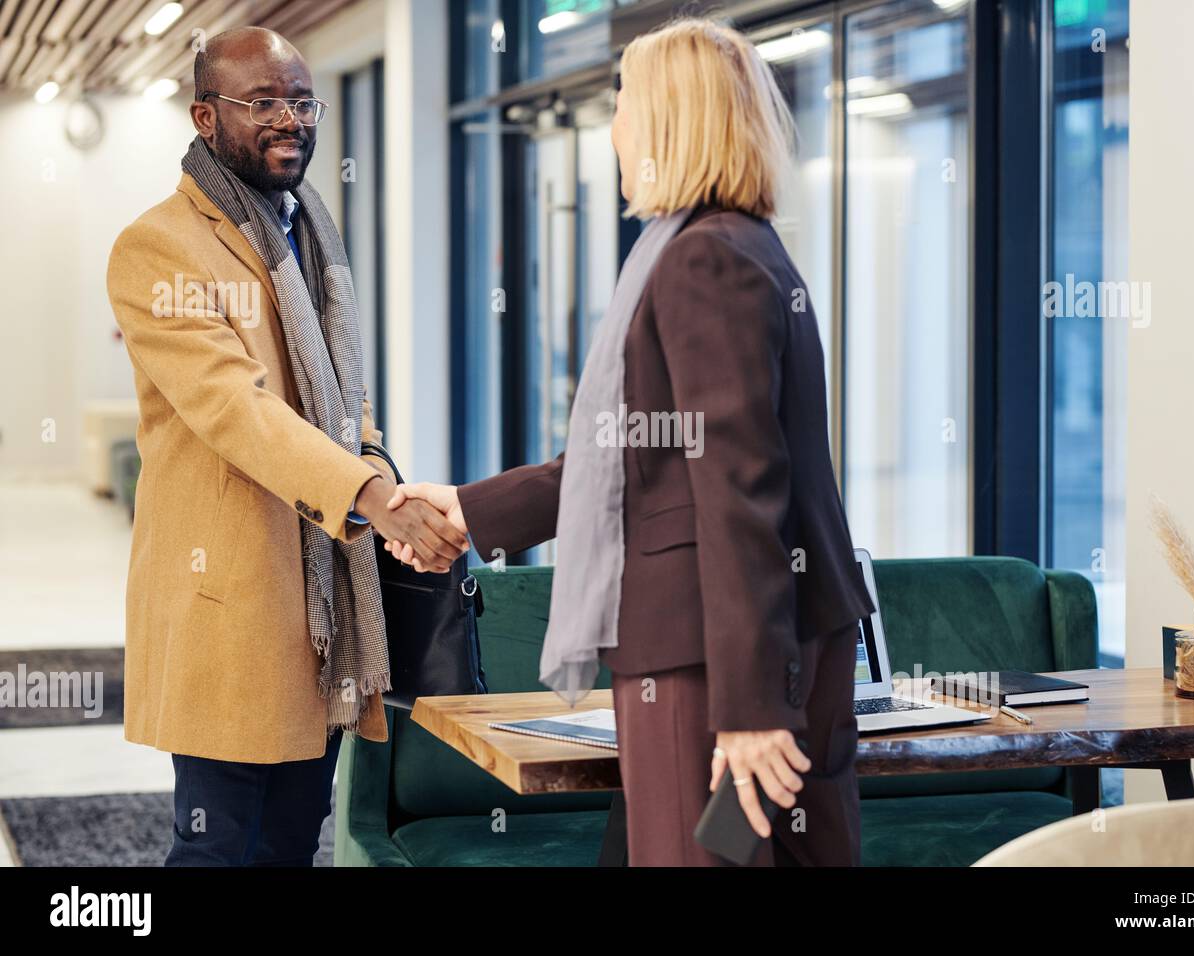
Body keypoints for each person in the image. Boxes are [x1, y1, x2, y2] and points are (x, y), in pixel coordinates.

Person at [387, 17, 872, 866]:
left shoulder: (700, 262)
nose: (614, 126)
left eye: (623, 103)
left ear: (668, 122)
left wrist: (750, 705)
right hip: (741, 645)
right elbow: (636, 457)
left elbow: (739, 491)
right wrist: (467, 508)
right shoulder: (729, 248)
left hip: (706, 660)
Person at [106, 26, 466, 866]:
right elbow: (238, 410)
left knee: (293, 843)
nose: (290, 119)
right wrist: (377, 501)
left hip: (326, 606)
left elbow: (349, 408)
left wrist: (381, 474)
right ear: (205, 115)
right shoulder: (157, 246)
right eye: (262, 101)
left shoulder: (311, 236)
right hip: (230, 607)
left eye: (302, 101)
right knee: (218, 847)